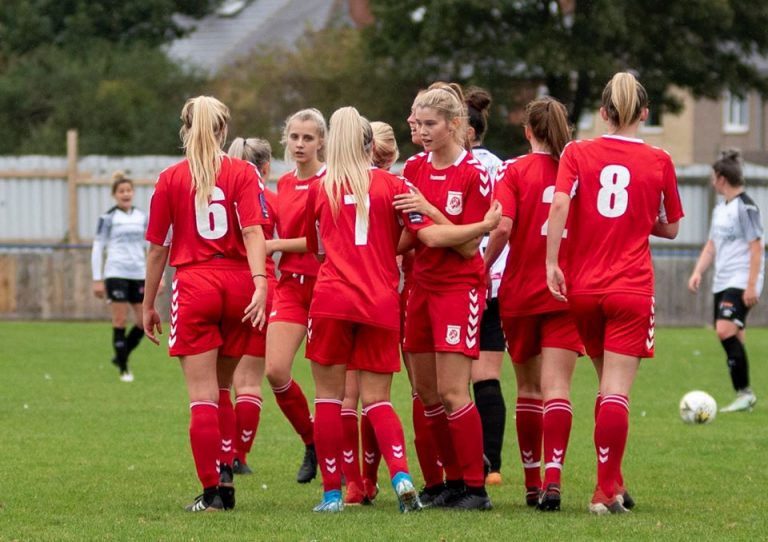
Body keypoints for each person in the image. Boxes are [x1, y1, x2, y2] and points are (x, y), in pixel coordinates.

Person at [305, 106, 501, 512]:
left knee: (329, 399)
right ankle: (402, 476)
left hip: (332, 299)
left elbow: (317, 249)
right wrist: (482, 227)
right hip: (379, 300)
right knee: (379, 399)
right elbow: (426, 235)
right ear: (369, 145)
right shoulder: (393, 185)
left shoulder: (317, 189)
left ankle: (331, 495)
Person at [545, 72, 684, 514]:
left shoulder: (577, 151)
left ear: (602, 113)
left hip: (583, 286)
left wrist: (551, 262)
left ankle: (616, 483)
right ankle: (604, 491)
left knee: (606, 388)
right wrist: (640, 222)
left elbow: (562, 204)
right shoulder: (660, 159)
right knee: (617, 392)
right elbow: (673, 226)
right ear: (645, 113)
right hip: (630, 287)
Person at [142, 96, 269, 512]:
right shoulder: (243, 171)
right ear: (224, 130)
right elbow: (253, 232)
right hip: (237, 282)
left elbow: (158, 249)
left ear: (185, 129)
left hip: (195, 283)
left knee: (201, 396)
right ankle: (228, 472)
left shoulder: (171, 177)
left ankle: (213, 491)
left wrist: (148, 303)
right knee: (222, 388)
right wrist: (260, 282)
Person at [394, 84, 494, 510]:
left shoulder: (475, 172)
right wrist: (474, 226)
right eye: (419, 123)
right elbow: (425, 236)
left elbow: (469, 249)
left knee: (455, 391)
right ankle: (447, 481)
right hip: (420, 288)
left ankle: (476, 487)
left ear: (455, 124)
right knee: (426, 392)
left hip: (459, 289)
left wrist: (438, 215)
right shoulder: (413, 168)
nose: (423, 131)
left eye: (431, 123)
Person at [484, 97, 584, 511]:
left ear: (527, 131)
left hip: (520, 291)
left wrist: (483, 264)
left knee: (526, 388)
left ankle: (530, 483)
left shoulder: (512, 171)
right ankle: (554, 479)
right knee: (557, 388)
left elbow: (503, 226)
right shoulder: (576, 169)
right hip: (564, 289)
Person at [264, 108, 327, 484]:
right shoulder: (284, 184)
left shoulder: (330, 180)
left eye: (308, 138)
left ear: (321, 141)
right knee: (275, 371)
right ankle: (312, 441)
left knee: (330, 385)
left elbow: (323, 239)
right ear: (285, 140)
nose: (300, 144)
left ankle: (347, 472)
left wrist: (273, 243)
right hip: (289, 286)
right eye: (295, 137)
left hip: (324, 286)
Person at [688, 149, 763, 413]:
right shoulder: (721, 209)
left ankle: (744, 393)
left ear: (721, 178)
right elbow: (711, 245)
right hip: (722, 280)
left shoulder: (747, 207)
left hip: (741, 279)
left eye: (713, 176)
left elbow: (757, 248)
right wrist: (698, 271)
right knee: (735, 335)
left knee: (724, 330)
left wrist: (752, 285)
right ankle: (745, 395)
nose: (711, 181)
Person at [226, 137, 279, 475]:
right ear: (266, 167)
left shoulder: (216, 194)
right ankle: (239, 456)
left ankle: (223, 450)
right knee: (249, 382)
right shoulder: (272, 200)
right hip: (264, 287)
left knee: (219, 382)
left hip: (224, 285)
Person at [465, 86, 507, 486]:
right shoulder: (502, 166)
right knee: (486, 376)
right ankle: (491, 464)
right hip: (497, 282)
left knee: (454, 380)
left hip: (463, 279)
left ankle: (463, 462)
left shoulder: (460, 167)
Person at [91, 171, 149, 383]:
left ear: (133, 193)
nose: (126, 194)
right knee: (120, 319)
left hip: (139, 273)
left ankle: (120, 355)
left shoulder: (142, 217)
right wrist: (97, 279)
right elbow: (98, 247)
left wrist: (155, 276)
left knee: (143, 322)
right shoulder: (108, 218)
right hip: (116, 272)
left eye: (129, 190)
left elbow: (150, 248)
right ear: (114, 194)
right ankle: (124, 369)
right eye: (121, 191)